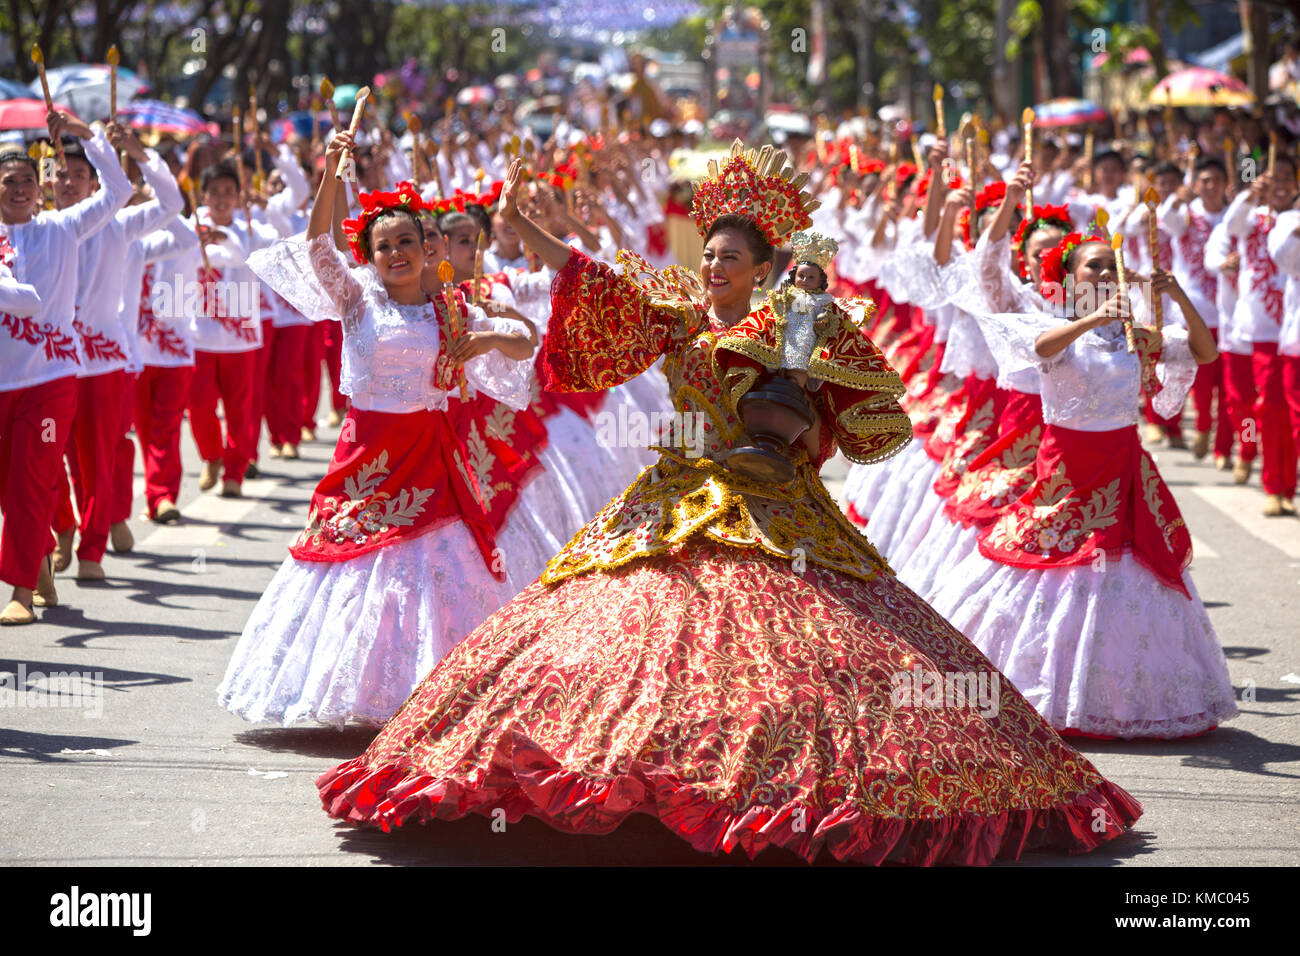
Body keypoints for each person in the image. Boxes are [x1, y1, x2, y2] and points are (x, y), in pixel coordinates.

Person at [317, 143, 1142, 865]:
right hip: (672, 498)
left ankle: (773, 789)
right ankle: (636, 783)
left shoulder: (793, 323)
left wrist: (812, 361)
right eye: (707, 254)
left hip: (779, 508)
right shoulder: (675, 313)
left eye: (729, 259)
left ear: (762, 268)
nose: (712, 267)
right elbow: (586, 278)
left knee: (806, 652)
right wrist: (520, 220)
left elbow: (869, 415)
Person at [218, 137, 536, 727]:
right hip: (363, 459)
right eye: (382, 246)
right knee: (349, 563)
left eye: (406, 243)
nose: (395, 254)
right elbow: (317, 244)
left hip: (428, 458)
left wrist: (488, 338)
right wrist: (330, 180)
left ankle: (436, 693)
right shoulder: (357, 300)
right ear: (367, 255)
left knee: (429, 566)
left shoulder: (451, 308)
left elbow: (525, 344)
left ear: (425, 248)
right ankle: (352, 694)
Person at [926, 231, 1238, 739]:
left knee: (1130, 571)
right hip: (1066, 473)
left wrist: (1175, 295)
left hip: (1123, 469)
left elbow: (1203, 354)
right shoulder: (1053, 327)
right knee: (1049, 568)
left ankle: (1120, 700)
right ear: (1070, 280)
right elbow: (1040, 348)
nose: (1105, 276)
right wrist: (1093, 318)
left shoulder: (1136, 336)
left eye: (1112, 267)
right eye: (1093, 268)